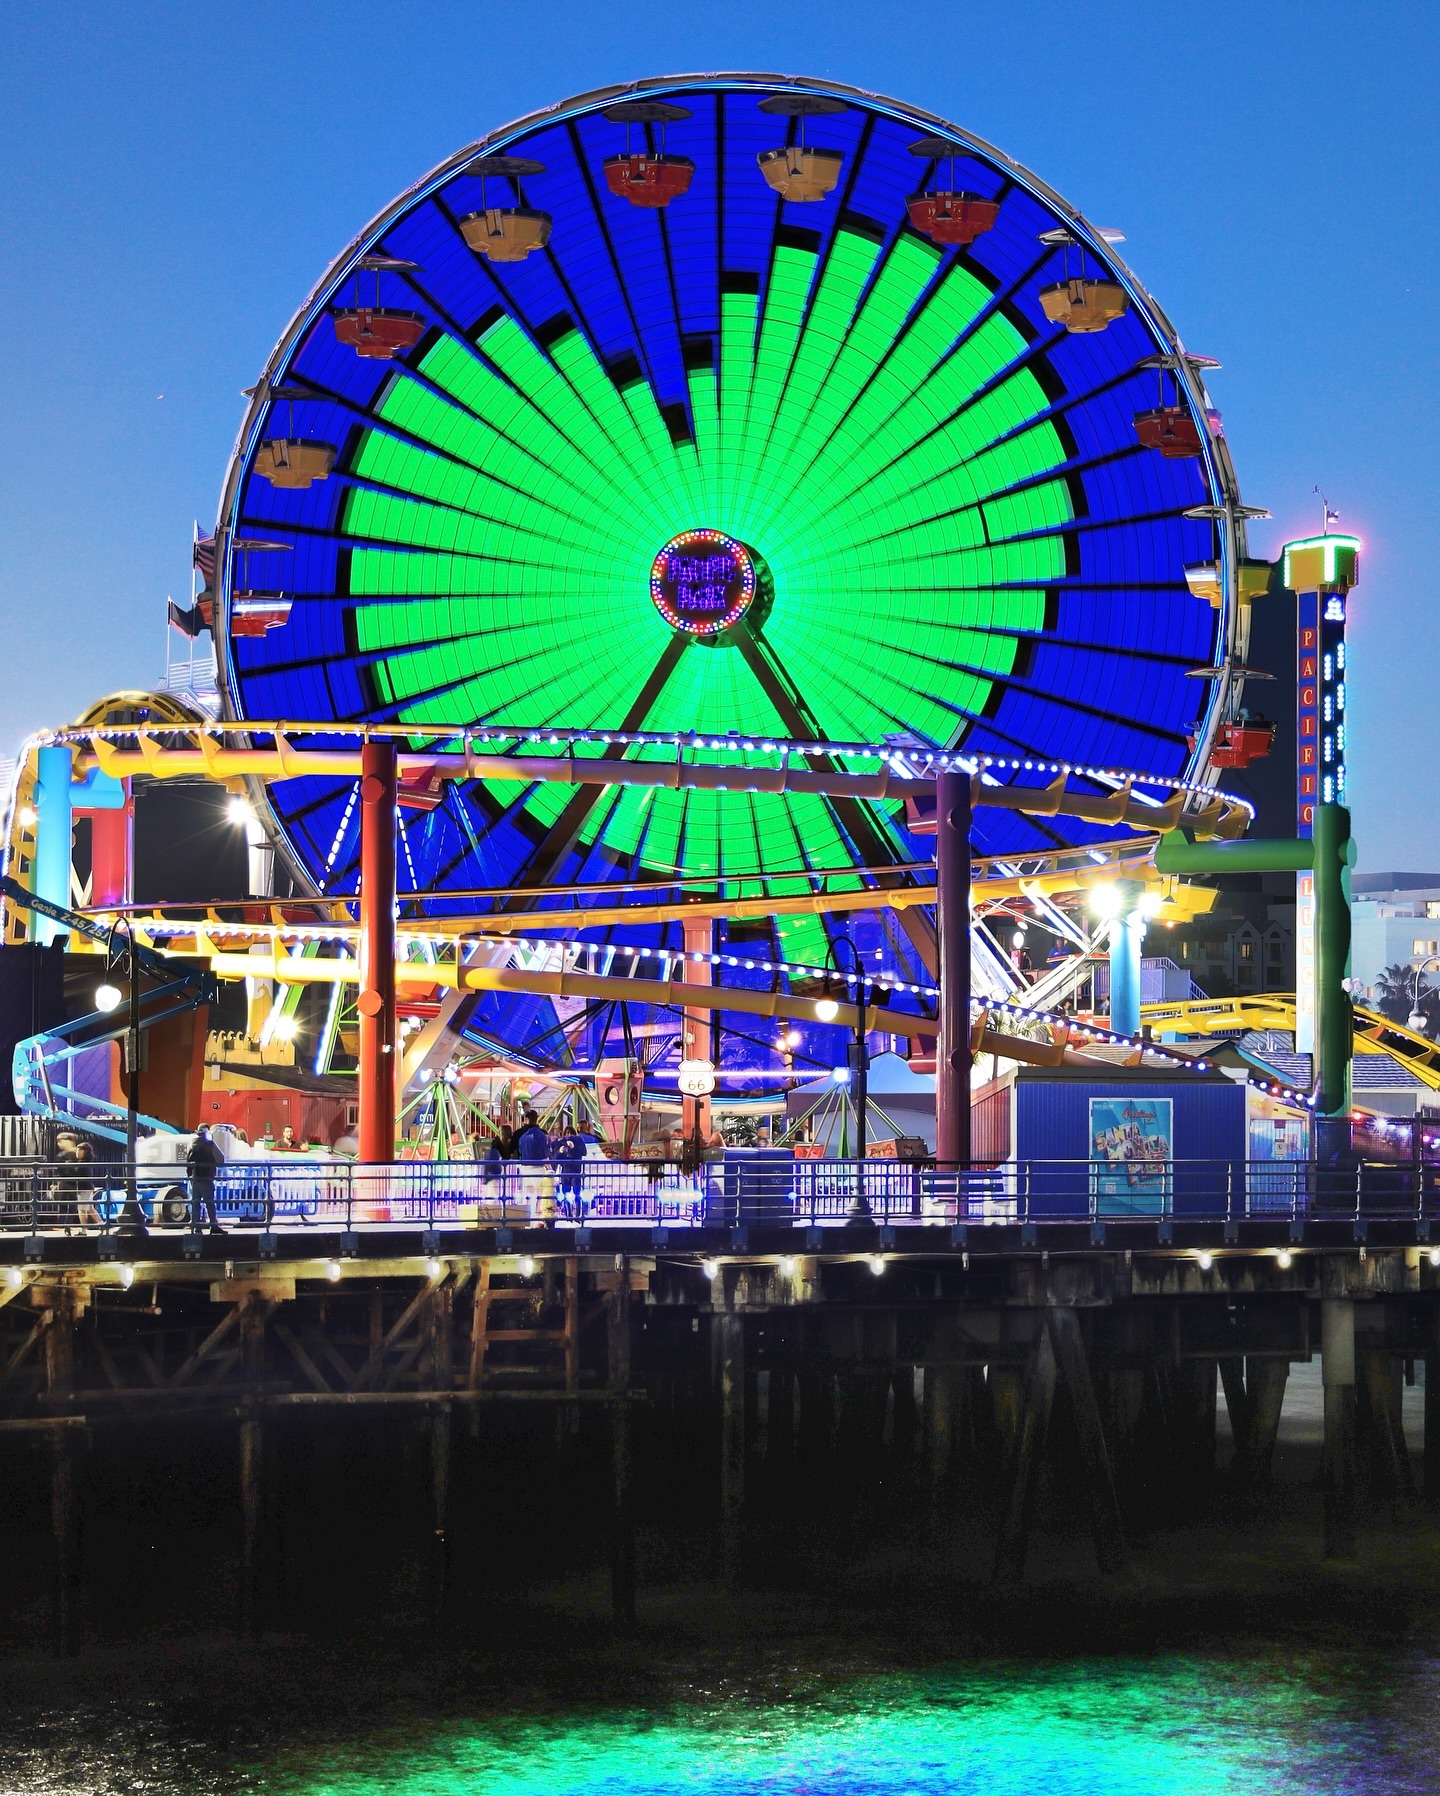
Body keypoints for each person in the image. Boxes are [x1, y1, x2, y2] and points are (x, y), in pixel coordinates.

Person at [514, 1110, 554, 1225]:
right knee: (540, 1195)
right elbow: (544, 1153)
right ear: (537, 1119)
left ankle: (528, 1219)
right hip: (538, 1168)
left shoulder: (522, 1137)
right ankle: (539, 1219)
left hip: (525, 1168)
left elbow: (519, 1153)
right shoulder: (541, 1135)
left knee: (529, 1195)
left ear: (526, 1119)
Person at [186, 1125, 224, 1234]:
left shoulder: (191, 1144)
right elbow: (221, 1159)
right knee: (210, 1203)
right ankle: (213, 1226)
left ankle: (196, 1227)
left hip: (193, 1178)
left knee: (195, 1203)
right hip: (206, 1177)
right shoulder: (209, 1144)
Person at [554, 1126, 588, 1222]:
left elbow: (584, 1152)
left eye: (570, 1133)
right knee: (566, 1192)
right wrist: (560, 1152)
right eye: (567, 1133)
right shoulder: (561, 1142)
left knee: (577, 1192)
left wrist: (574, 1147)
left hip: (575, 1170)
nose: (568, 1135)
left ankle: (577, 1215)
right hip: (565, 1170)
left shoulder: (578, 1140)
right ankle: (568, 1215)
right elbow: (556, 1158)